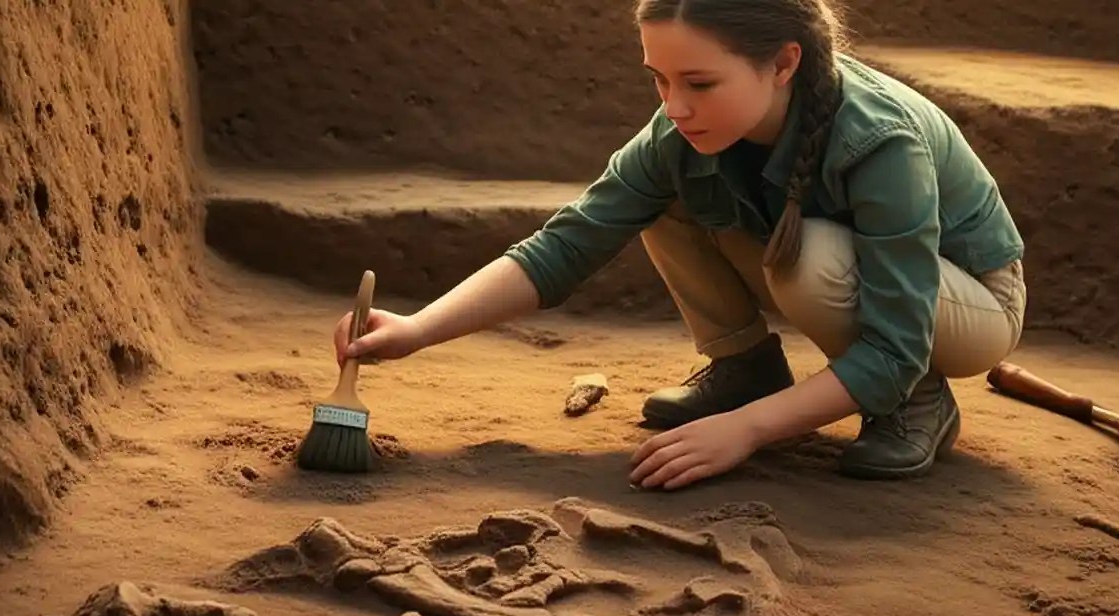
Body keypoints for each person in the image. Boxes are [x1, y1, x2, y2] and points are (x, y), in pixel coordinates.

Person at [331, 0, 1027, 491]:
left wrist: (748, 433)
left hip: (965, 306)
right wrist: (418, 330)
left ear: (784, 63)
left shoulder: (880, 139)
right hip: (846, 278)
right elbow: (565, 244)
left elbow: (897, 339)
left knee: (810, 260)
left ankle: (915, 403)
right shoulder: (682, 132)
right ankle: (744, 368)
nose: (674, 105)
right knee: (660, 201)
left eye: (699, 83)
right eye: (659, 79)